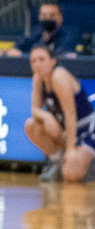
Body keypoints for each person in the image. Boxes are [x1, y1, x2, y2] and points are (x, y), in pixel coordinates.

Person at [25, 44, 95, 183]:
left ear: (53, 61)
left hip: (86, 129)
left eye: (42, 59)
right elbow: (34, 109)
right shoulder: (38, 79)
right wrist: (47, 116)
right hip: (68, 131)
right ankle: (56, 162)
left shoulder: (59, 76)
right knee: (31, 125)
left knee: (71, 174)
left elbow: (70, 114)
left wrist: (70, 150)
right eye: (33, 61)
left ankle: (88, 163)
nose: (37, 64)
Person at [0, 3, 80, 57]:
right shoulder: (34, 34)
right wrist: (6, 52)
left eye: (52, 15)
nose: (48, 19)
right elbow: (18, 47)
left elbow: (60, 56)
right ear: (39, 17)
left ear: (60, 18)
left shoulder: (69, 36)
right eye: (44, 15)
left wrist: (23, 55)